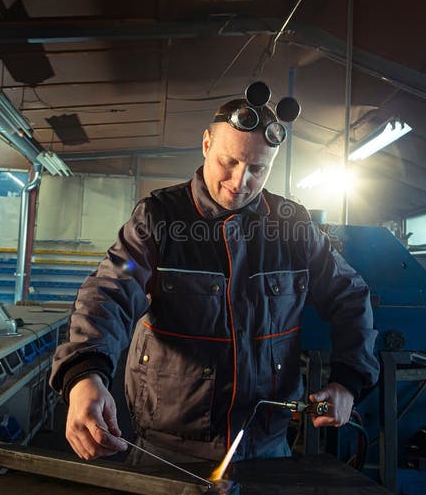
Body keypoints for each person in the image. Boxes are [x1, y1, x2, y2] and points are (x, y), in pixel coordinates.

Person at [50, 85, 379, 465]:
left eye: (258, 169)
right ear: (206, 144)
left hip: (266, 448)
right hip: (167, 449)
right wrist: (85, 373)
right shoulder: (158, 220)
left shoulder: (294, 227)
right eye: (230, 162)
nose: (241, 182)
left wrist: (348, 381)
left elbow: (350, 295)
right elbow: (111, 290)